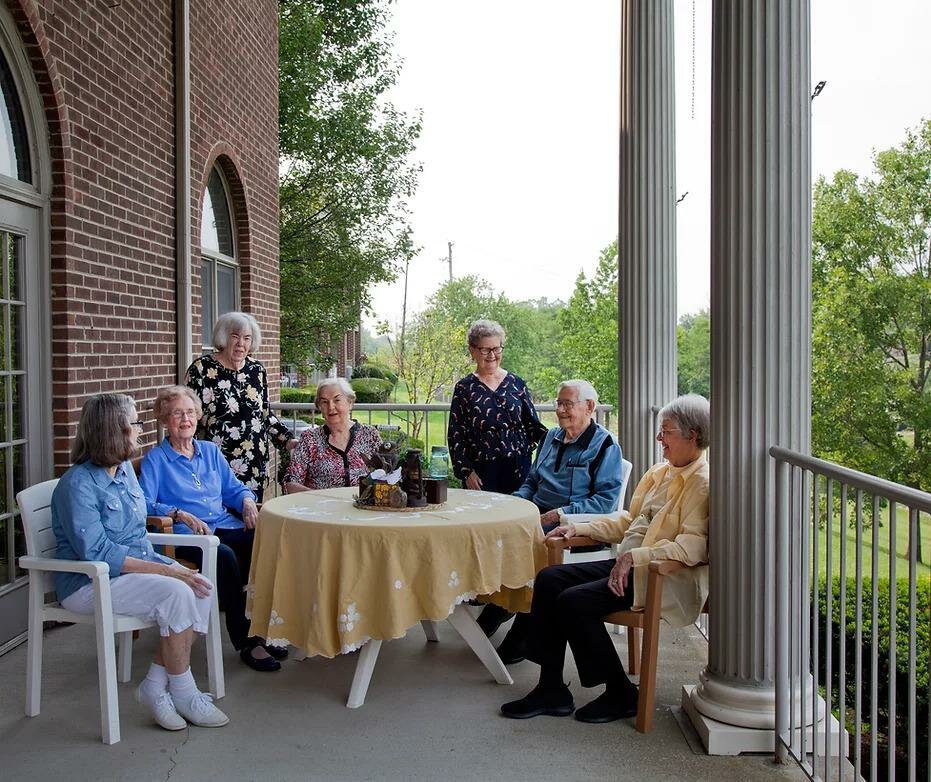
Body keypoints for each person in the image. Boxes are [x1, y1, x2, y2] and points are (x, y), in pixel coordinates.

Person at [500, 394, 710, 724]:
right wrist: (575, 526)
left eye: (666, 432)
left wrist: (635, 558)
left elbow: (692, 548)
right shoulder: (661, 473)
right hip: (627, 566)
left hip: (659, 576)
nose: (659, 439)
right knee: (549, 578)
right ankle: (550, 687)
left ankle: (620, 692)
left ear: (692, 435)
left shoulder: (701, 483)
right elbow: (629, 520)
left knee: (573, 601)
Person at [51, 393, 230, 731]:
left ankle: (154, 685)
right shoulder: (78, 485)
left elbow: (137, 536)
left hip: (128, 572)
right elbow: (101, 554)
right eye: (134, 423)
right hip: (89, 583)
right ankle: (184, 691)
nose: (139, 429)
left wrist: (176, 570)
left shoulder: (123, 473)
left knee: (202, 586)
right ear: (112, 430)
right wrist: (169, 571)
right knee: (177, 592)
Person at [139, 385, 285, 672]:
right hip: (185, 536)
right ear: (165, 420)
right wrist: (178, 513)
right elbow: (143, 502)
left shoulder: (210, 451)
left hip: (222, 524)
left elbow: (233, 488)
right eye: (178, 413)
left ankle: (264, 628)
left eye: (191, 412)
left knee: (267, 541)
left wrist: (245, 501)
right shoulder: (157, 459)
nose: (186, 419)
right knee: (227, 556)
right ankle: (248, 641)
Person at [477, 378, 624, 661]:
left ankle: (523, 627)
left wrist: (559, 514)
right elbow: (533, 480)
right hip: (537, 515)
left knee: (533, 543)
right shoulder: (549, 438)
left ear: (589, 407)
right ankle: (503, 602)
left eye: (568, 404)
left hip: (572, 525)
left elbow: (606, 501)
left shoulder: (604, 446)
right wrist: (518, 503)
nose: (560, 411)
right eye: (559, 404)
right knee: (496, 533)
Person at [186, 311, 296, 501]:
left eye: (247, 338)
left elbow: (264, 415)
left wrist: (287, 440)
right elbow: (188, 417)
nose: (241, 344)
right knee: (220, 523)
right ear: (222, 337)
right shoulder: (201, 369)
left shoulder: (257, 370)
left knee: (252, 523)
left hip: (254, 464)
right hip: (216, 463)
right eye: (235, 337)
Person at [448, 319, 548, 494]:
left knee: (517, 517)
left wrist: (564, 439)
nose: (492, 355)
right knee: (483, 519)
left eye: (496, 348)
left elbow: (532, 425)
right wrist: (466, 472)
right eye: (485, 349)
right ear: (472, 350)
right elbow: (456, 434)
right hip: (481, 471)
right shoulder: (464, 388)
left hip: (519, 467)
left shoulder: (517, 383)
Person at [283, 378, 382, 491]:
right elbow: (290, 482)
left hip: (363, 505)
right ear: (319, 407)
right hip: (321, 506)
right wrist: (320, 498)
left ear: (350, 403)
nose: (331, 407)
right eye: (324, 402)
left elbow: (386, 474)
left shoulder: (370, 435)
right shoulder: (310, 439)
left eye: (337, 400)